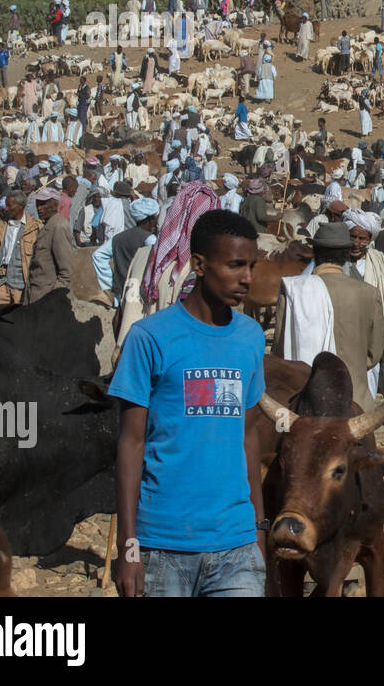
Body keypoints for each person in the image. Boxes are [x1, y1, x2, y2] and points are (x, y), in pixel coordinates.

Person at [110, 209, 266, 598]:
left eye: (251, 265)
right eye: (234, 265)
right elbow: (131, 443)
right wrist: (128, 546)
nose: (247, 278)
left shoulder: (250, 337)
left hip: (236, 547)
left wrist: (259, 531)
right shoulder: (149, 338)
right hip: (162, 547)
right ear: (199, 264)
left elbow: (248, 437)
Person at [273, 223, 384, 411]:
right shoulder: (369, 293)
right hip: (354, 402)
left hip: (305, 402)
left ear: (315, 252)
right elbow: (373, 355)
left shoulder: (294, 289)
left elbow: (279, 350)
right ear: (347, 253)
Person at [92, 197, 160, 304]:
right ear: (150, 219)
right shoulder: (150, 239)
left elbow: (98, 255)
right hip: (138, 295)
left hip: (120, 292)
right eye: (156, 217)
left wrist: (109, 283)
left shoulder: (118, 237)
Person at [0, 191, 42, 304]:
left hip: (20, 283)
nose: (6, 209)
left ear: (20, 206)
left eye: (9, 206)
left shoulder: (34, 228)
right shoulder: (1, 225)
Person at [25, 187, 75, 303]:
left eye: (43, 204)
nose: (39, 208)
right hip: (36, 295)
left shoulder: (58, 226)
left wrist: (53, 298)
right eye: (38, 204)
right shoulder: (47, 225)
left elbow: (66, 272)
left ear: (54, 205)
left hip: (46, 298)